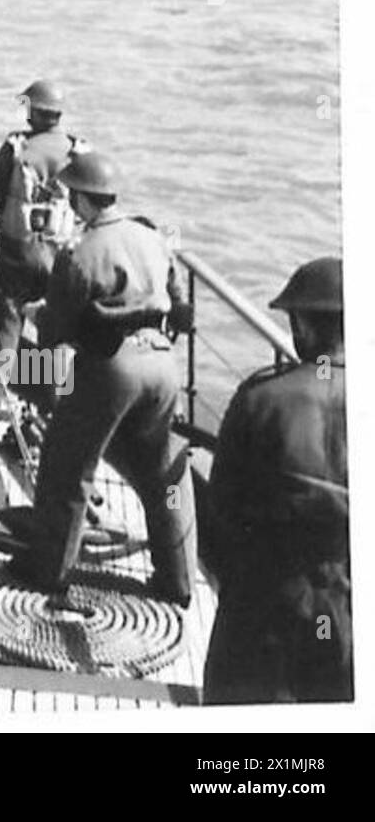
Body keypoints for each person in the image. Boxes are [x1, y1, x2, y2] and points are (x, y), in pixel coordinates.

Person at [24, 150, 196, 603]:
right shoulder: (152, 237)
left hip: (112, 368)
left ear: (81, 199)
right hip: (163, 367)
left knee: (67, 467)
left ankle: (49, 573)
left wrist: (36, 315)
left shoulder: (79, 252)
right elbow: (179, 303)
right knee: (161, 475)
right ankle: (177, 583)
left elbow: (57, 329)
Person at [203, 257, 350, 704]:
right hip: (344, 611)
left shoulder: (262, 397)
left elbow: (222, 507)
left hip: (266, 598)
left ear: (302, 325)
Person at [0, 79, 82, 418]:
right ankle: (56, 412)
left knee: (2, 328)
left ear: (34, 111)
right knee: (56, 333)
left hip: (16, 255)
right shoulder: (79, 151)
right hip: (61, 258)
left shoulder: (15, 147)